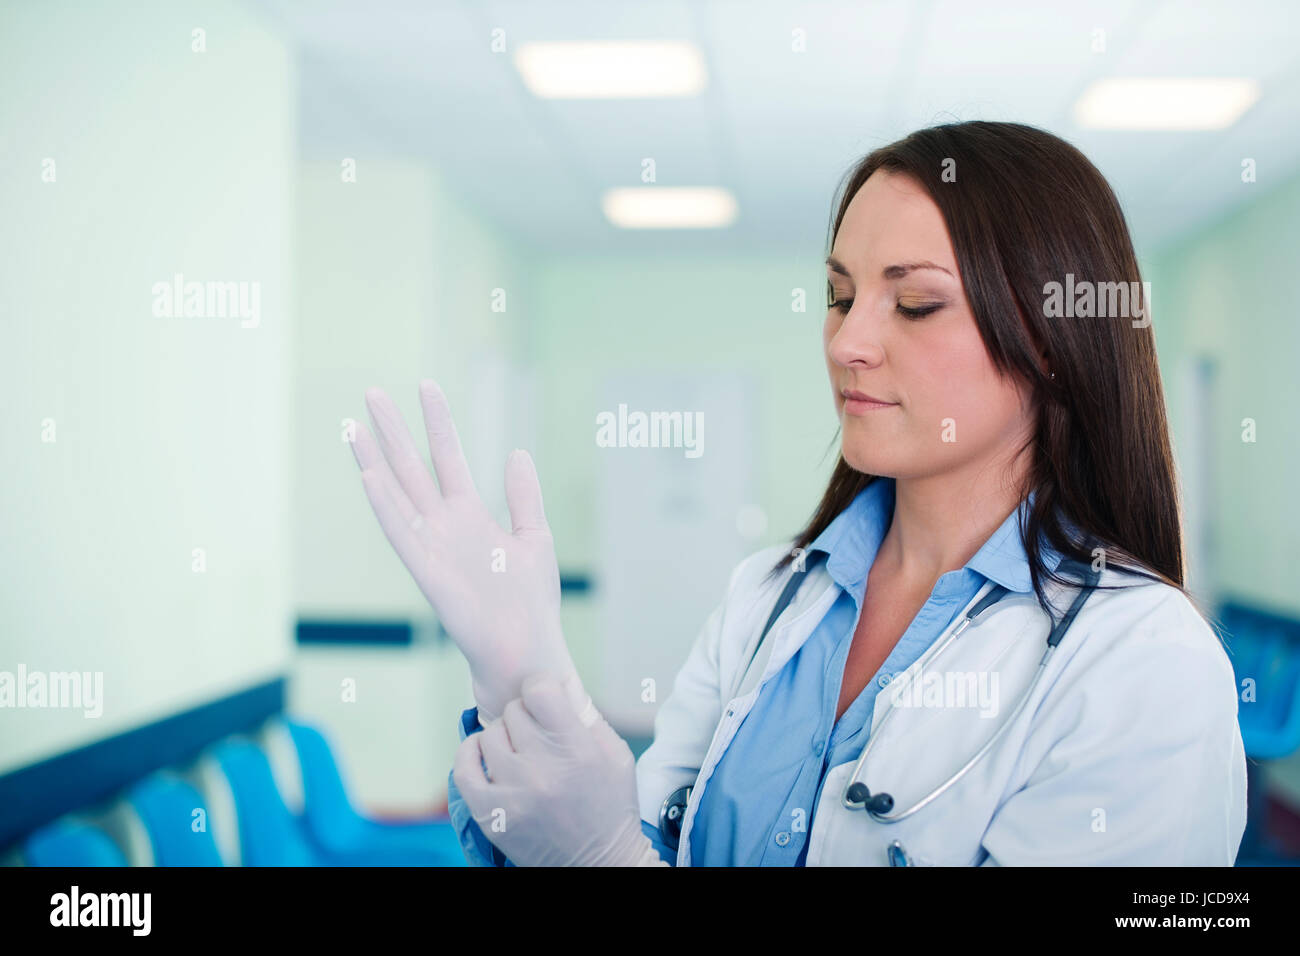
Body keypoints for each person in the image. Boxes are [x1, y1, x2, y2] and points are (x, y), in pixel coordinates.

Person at [349, 121, 1247, 866]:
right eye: (839, 294)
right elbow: (608, 838)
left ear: (1051, 340)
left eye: (916, 304)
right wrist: (522, 684)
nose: (847, 341)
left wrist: (605, 856)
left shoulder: (1144, 667)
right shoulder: (770, 598)